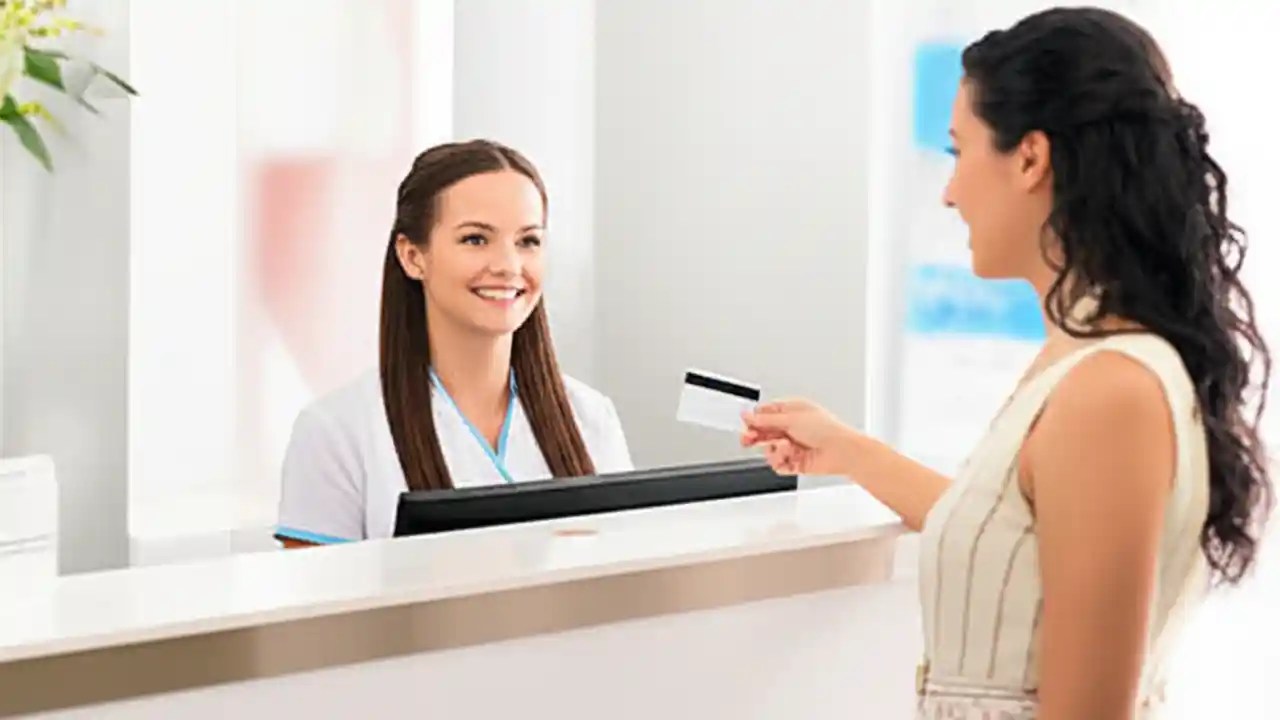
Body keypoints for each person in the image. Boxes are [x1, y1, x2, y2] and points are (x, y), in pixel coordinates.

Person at [742, 8, 1270, 719]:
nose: (949, 190)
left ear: (1030, 158)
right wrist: (849, 451)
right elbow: (1005, 532)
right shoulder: (1081, 364)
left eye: (958, 152)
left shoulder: (1110, 391)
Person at [276, 140, 633, 545]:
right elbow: (318, 605)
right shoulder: (336, 432)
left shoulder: (591, 418)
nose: (508, 266)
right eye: (476, 239)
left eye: (528, 241)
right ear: (412, 256)